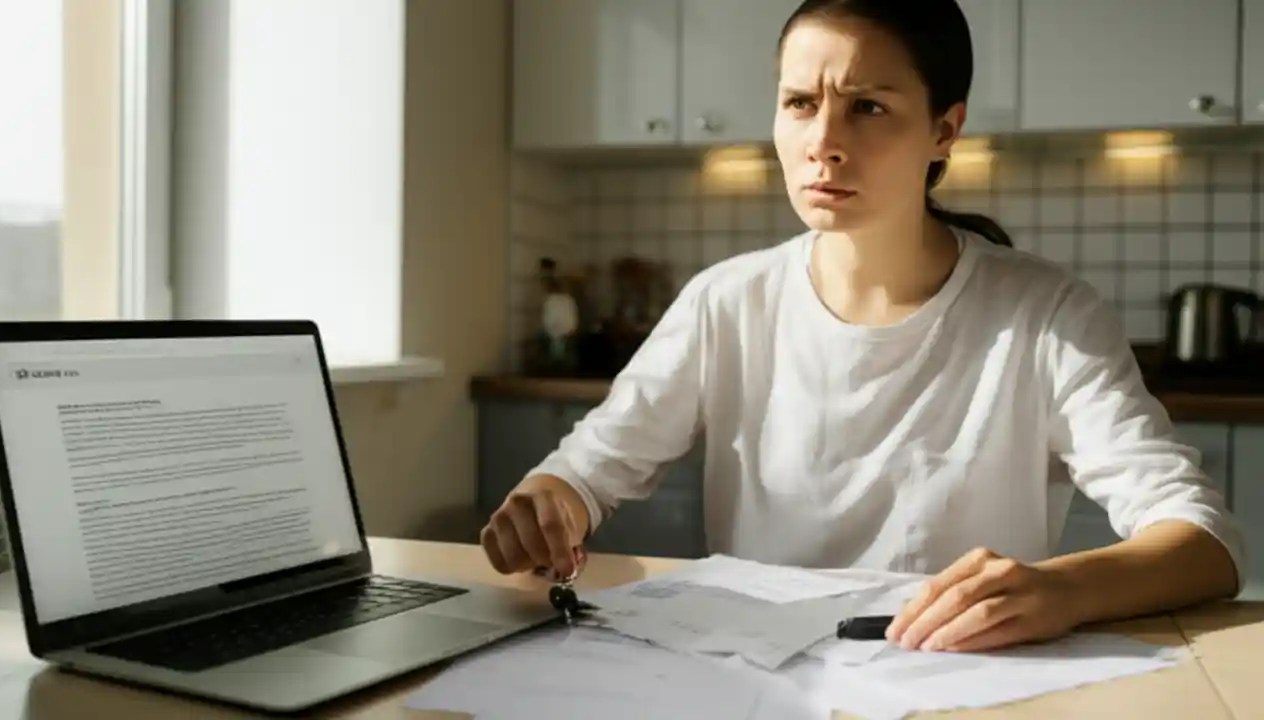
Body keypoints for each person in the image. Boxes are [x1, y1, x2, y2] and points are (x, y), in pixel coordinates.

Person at [480, 0, 1242, 653]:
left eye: (868, 107)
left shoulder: (1047, 314)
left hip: (961, 680)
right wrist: (552, 502)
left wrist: (1063, 589)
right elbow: (588, 469)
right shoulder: (727, 302)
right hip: (757, 678)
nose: (823, 141)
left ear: (944, 130)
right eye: (799, 103)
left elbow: (1205, 541)